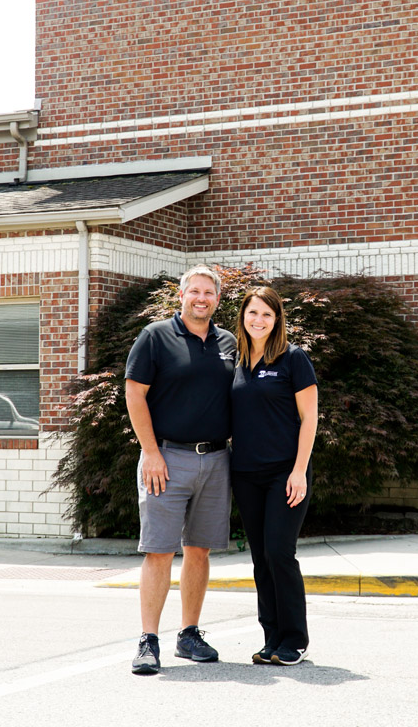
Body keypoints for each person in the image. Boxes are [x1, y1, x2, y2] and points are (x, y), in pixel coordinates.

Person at [125, 265, 236, 675]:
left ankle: (189, 634)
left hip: (217, 459)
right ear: (182, 295)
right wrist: (151, 453)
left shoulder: (228, 343)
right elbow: (134, 394)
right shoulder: (155, 336)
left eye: (209, 293)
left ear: (217, 299)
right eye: (195, 291)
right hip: (167, 459)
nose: (201, 298)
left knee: (200, 550)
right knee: (158, 550)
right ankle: (148, 640)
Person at [230, 285, 318, 666]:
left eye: (267, 313)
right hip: (246, 474)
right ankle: (272, 638)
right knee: (260, 558)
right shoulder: (237, 362)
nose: (259, 320)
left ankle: (295, 639)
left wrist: (299, 471)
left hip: (286, 472)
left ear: (277, 319)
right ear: (243, 317)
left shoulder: (293, 359)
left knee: (279, 552)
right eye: (252, 312)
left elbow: (310, 417)